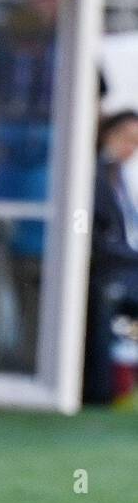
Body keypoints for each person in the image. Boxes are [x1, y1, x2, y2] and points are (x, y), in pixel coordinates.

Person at [85, 110, 138, 404]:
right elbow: (96, 236)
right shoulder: (93, 176)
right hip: (109, 268)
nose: (131, 147)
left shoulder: (122, 178)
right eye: (126, 139)